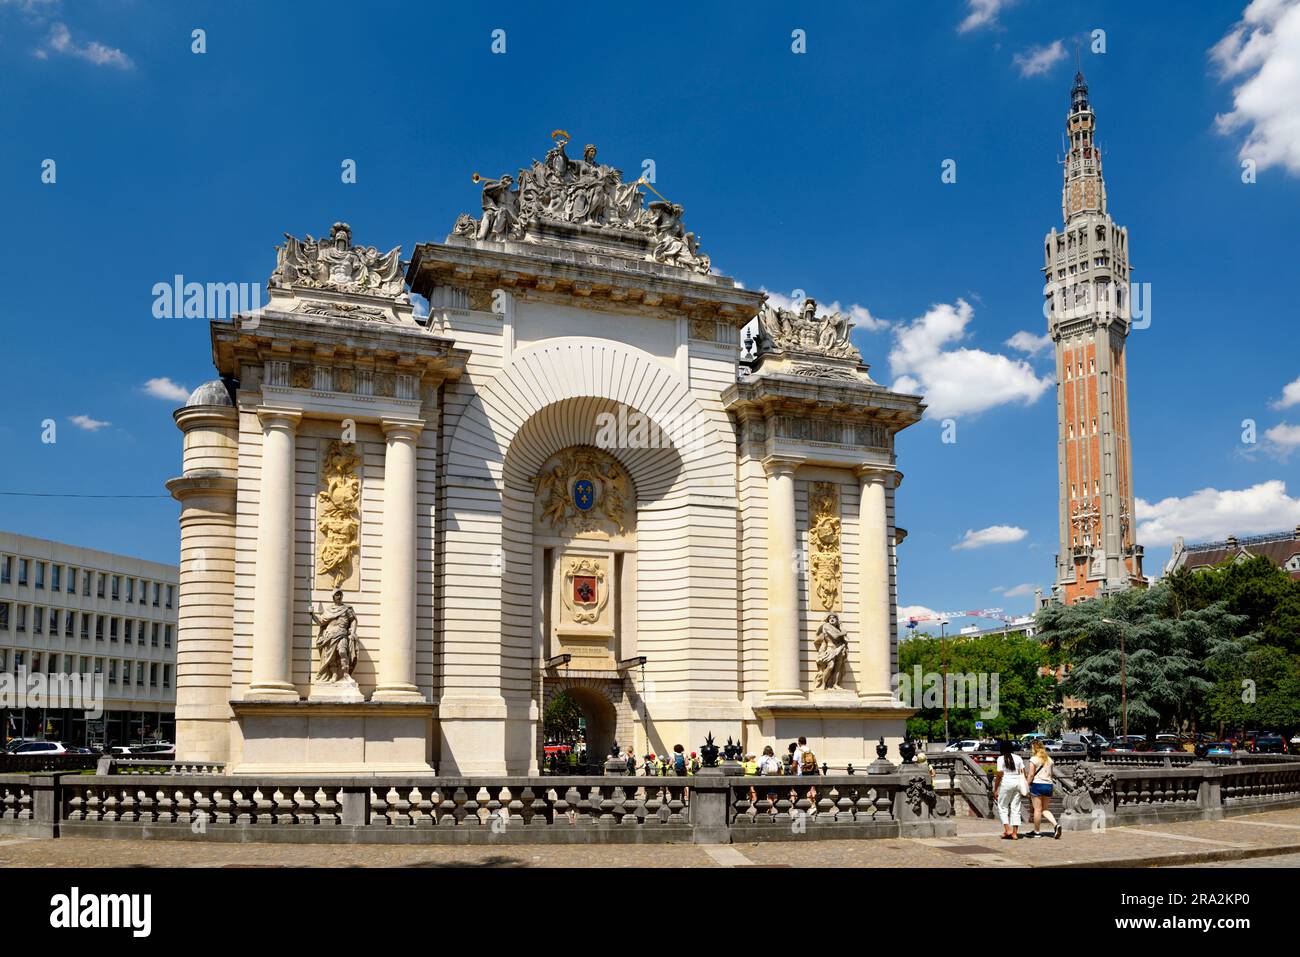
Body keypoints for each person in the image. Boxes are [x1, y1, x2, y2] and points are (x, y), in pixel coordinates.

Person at [1026, 739, 1062, 839]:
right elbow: (1051, 774)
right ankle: (1056, 825)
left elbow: (1031, 774)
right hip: (1048, 785)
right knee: (1045, 809)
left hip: (1037, 785)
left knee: (1037, 810)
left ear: (1034, 747)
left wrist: (1026, 784)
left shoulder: (1034, 759)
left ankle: (1037, 832)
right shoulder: (1049, 759)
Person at [992, 738, 1026, 840]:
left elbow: (999, 775)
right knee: (1016, 808)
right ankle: (1015, 833)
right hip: (1017, 783)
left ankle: (1007, 829)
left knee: (1002, 807)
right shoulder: (1018, 758)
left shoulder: (1000, 759)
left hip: (1006, 783)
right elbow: (1023, 772)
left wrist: (996, 789)